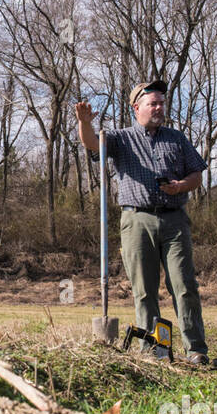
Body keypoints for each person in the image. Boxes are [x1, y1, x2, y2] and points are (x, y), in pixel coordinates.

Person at [76, 80, 210, 365]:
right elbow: (91, 144)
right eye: (153, 103)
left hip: (174, 220)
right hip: (136, 219)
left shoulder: (176, 138)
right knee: (144, 290)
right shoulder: (121, 138)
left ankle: (196, 349)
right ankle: (154, 350)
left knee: (184, 286)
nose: (159, 108)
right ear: (137, 108)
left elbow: (197, 175)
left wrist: (180, 185)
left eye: (162, 102)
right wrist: (84, 122)